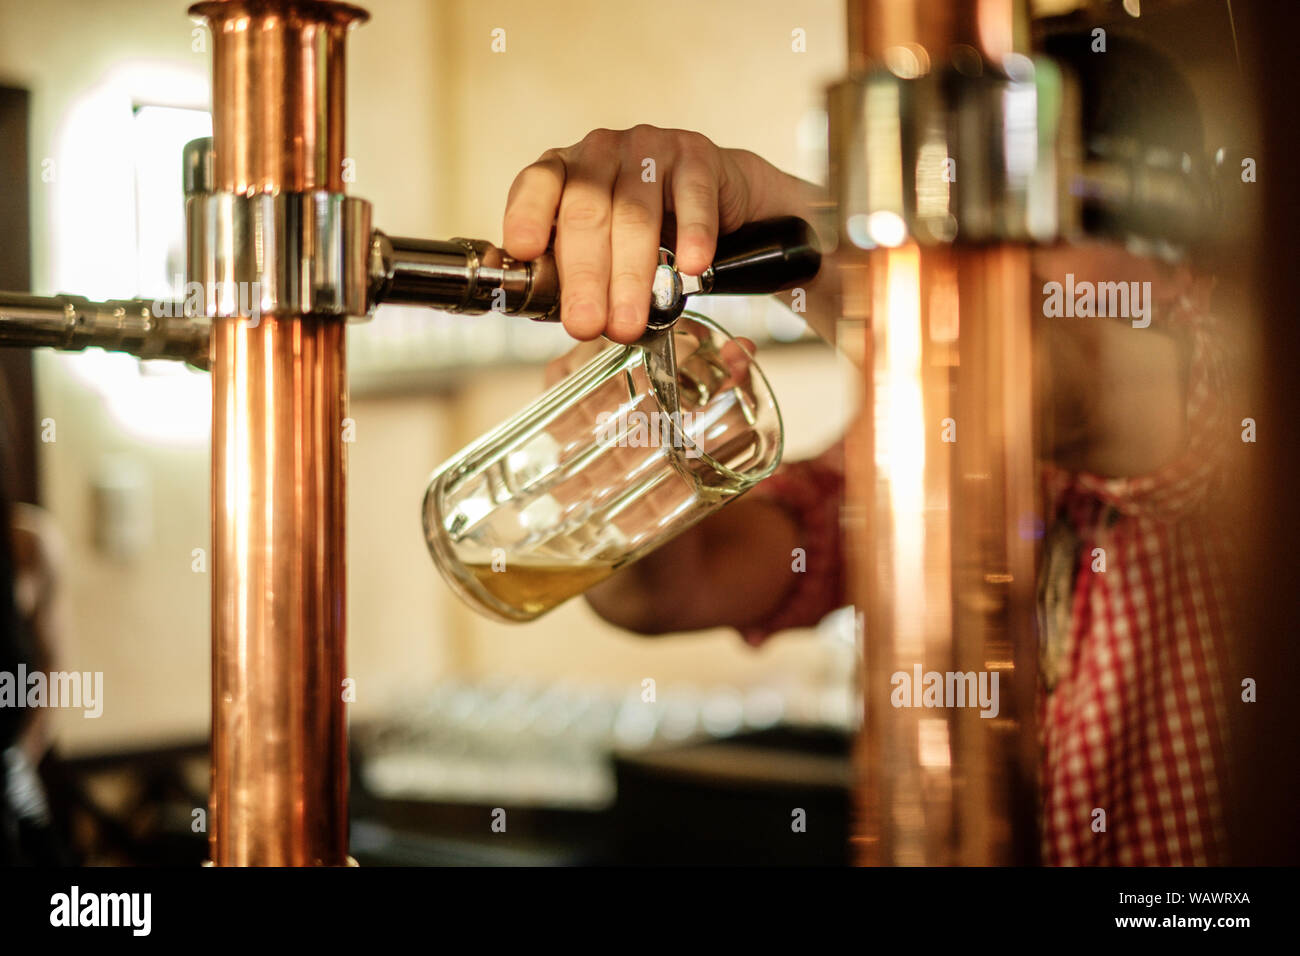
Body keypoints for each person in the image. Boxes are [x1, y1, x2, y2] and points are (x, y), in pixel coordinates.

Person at [502, 32, 1234, 866]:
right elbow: (673, 592)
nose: (993, 272)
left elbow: (1037, 374)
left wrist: (786, 222)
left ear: (1166, 253)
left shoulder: (1226, 364)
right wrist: (627, 473)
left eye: (1031, 229)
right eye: (972, 241)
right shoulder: (933, 436)